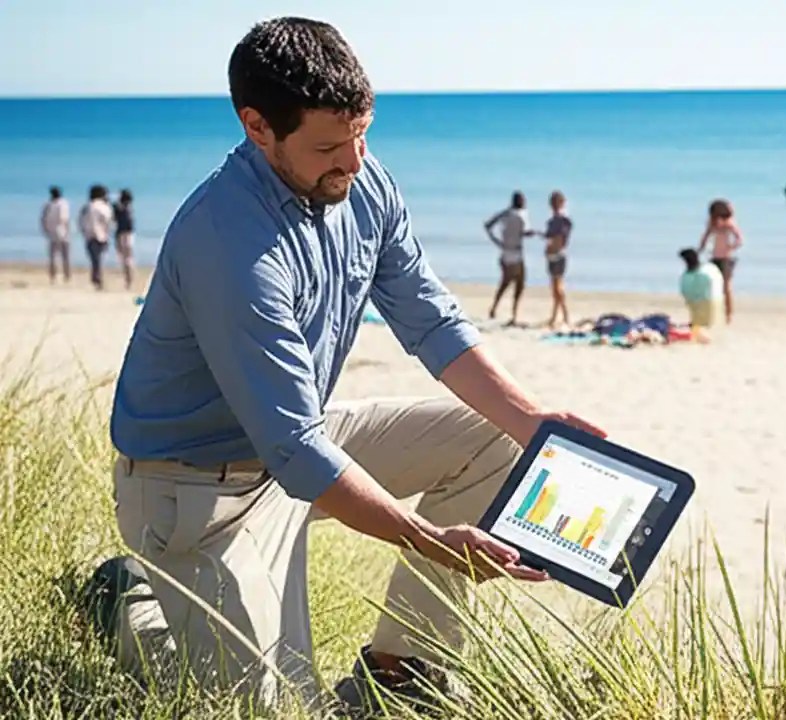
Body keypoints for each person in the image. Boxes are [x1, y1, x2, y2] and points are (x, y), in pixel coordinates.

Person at [102, 17, 601, 713]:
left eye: (362, 135)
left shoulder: (362, 185)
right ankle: (132, 601)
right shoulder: (229, 242)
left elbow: (427, 316)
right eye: (330, 147)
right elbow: (295, 447)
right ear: (257, 127)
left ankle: (399, 672)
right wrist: (430, 539)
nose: (355, 162)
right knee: (266, 708)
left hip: (294, 441)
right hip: (197, 490)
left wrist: (529, 417)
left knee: (494, 437)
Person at [484, 191, 534, 325]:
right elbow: (525, 232)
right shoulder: (522, 215)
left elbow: (487, 226)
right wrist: (535, 233)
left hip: (505, 253)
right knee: (520, 283)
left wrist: (497, 242)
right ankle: (514, 315)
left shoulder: (505, 214)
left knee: (505, 282)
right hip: (517, 254)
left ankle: (494, 307)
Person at [697, 198, 743, 324]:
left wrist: (731, 247)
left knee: (726, 287)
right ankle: (711, 312)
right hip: (714, 257)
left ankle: (729, 315)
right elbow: (705, 236)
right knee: (710, 286)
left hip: (726, 259)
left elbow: (739, 239)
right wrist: (700, 249)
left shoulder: (729, 224)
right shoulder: (711, 224)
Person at [678, 248, 722, 342]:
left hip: (702, 302)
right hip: (709, 301)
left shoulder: (695, 274)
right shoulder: (708, 269)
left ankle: (701, 337)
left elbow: (687, 291)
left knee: (699, 326)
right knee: (698, 324)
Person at [544, 190, 572, 329]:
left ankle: (565, 315)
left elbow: (561, 239)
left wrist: (553, 245)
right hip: (552, 255)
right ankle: (555, 316)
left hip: (558, 255)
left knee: (558, 287)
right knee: (554, 288)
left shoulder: (562, 220)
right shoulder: (553, 220)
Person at [78, 184, 113, 290]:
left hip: (90, 235)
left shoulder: (87, 207)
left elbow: (81, 221)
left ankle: (96, 278)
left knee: (95, 259)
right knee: (98, 259)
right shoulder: (104, 206)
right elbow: (109, 222)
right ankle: (98, 279)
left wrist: (84, 232)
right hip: (101, 235)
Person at [40, 185, 71, 283]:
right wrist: (68, 230)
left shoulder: (48, 205)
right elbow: (64, 219)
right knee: (65, 256)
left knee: (53, 256)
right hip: (62, 232)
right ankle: (66, 275)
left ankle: (53, 276)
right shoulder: (63, 203)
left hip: (52, 233)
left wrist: (45, 230)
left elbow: (43, 219)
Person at [113, 189, 136, 290]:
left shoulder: (120, 209)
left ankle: (128, 278)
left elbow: (115, 219)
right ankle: (129, 278)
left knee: (124, 258)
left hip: (122, 234)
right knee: (128, 257)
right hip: (129, 234)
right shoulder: (129, 209)